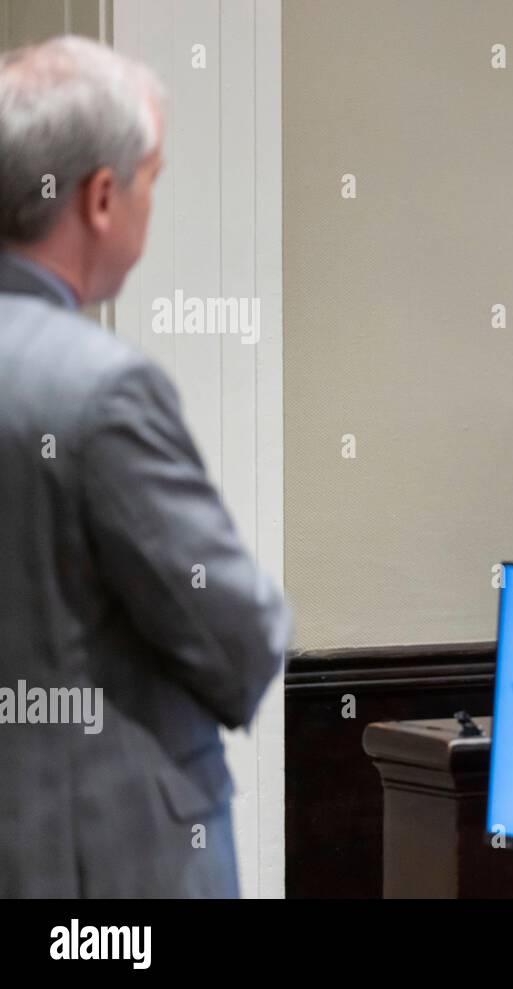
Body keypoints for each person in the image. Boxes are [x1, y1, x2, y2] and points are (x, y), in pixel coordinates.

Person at [0, 35, 289, 896]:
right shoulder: (100, 387)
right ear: (98, 197)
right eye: (151, 179)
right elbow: (234, 631)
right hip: (97, 862)